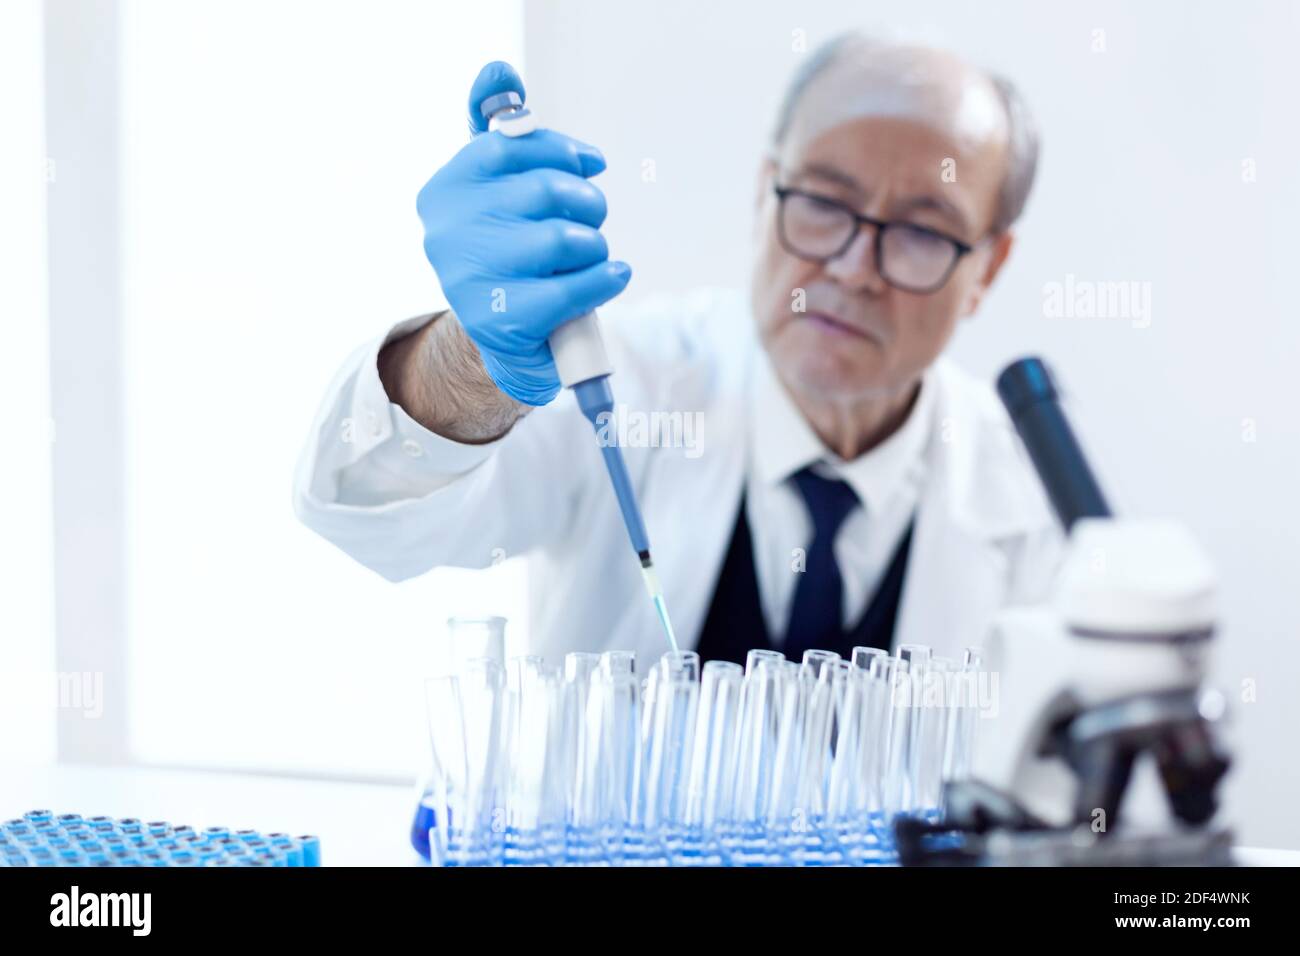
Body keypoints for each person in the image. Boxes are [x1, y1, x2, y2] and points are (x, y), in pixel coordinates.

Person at [293, 33, 1062, 669]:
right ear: (766, 192)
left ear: (987, 268)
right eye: (826, 202)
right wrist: (474, 357)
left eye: (924, 231)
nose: (855, 269)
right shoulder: (629, 383)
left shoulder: (1032, 510)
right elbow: (369, 509)